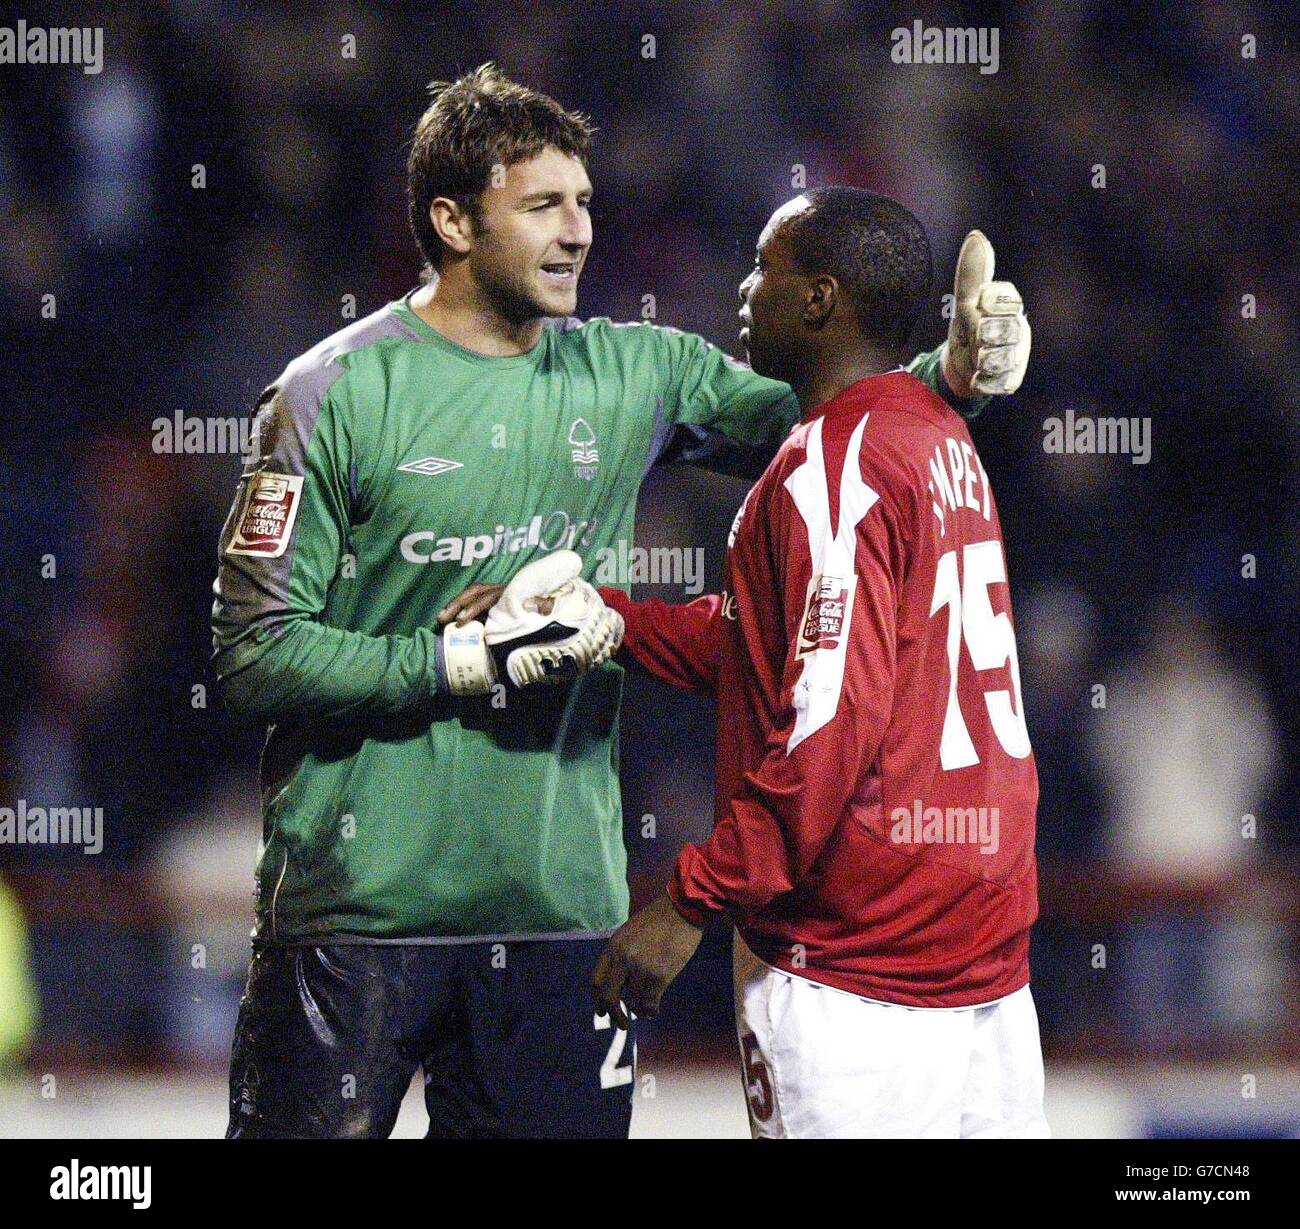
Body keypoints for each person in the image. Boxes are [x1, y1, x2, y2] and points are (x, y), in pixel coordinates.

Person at [212, 62, 1020, 1139]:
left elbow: (836, 412)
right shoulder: (328, 392)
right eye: (543, 203)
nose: (579, 229)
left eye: (586, 201)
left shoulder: (638, 372)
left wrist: (954, 370)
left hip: (560, 920)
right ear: (451, 220)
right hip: (355, 916)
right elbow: (255, 653)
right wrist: (457, 663)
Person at [590, 189, 1047, 1138]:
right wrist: (609, 624)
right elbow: (785, 649)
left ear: (819, 299)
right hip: (985, 961)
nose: (746, 286)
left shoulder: (829, 466)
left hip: (855, 973)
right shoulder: (937, 435)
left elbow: (826, 718)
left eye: (767, 266)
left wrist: (688, 897)